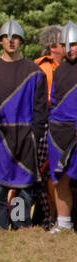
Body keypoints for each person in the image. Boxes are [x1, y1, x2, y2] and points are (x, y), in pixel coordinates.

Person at [0, 18, 47, 231]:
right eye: (6, 38)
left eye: (15, 37)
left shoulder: (33, 71)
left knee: (23, 186)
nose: (11, 41)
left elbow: (40, 108)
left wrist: (34, 134)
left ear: (21, 41)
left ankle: (19, 224)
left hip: (26, 135)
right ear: (0, 41)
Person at [46, 20, 77, 232]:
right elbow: (55, 101)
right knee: (60, 178)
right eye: (66, 45)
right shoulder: (59, 71)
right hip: (60, 132)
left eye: (74, 44)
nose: (70, 49)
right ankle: (64, 223)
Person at [32, 26, 63, 228]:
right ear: (52, 46)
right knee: (47, 173)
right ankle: (48, 216)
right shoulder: (43, 67)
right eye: (62, 42)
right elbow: (46, 99)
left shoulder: (66, 66)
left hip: (63, 124)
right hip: (48, 125)